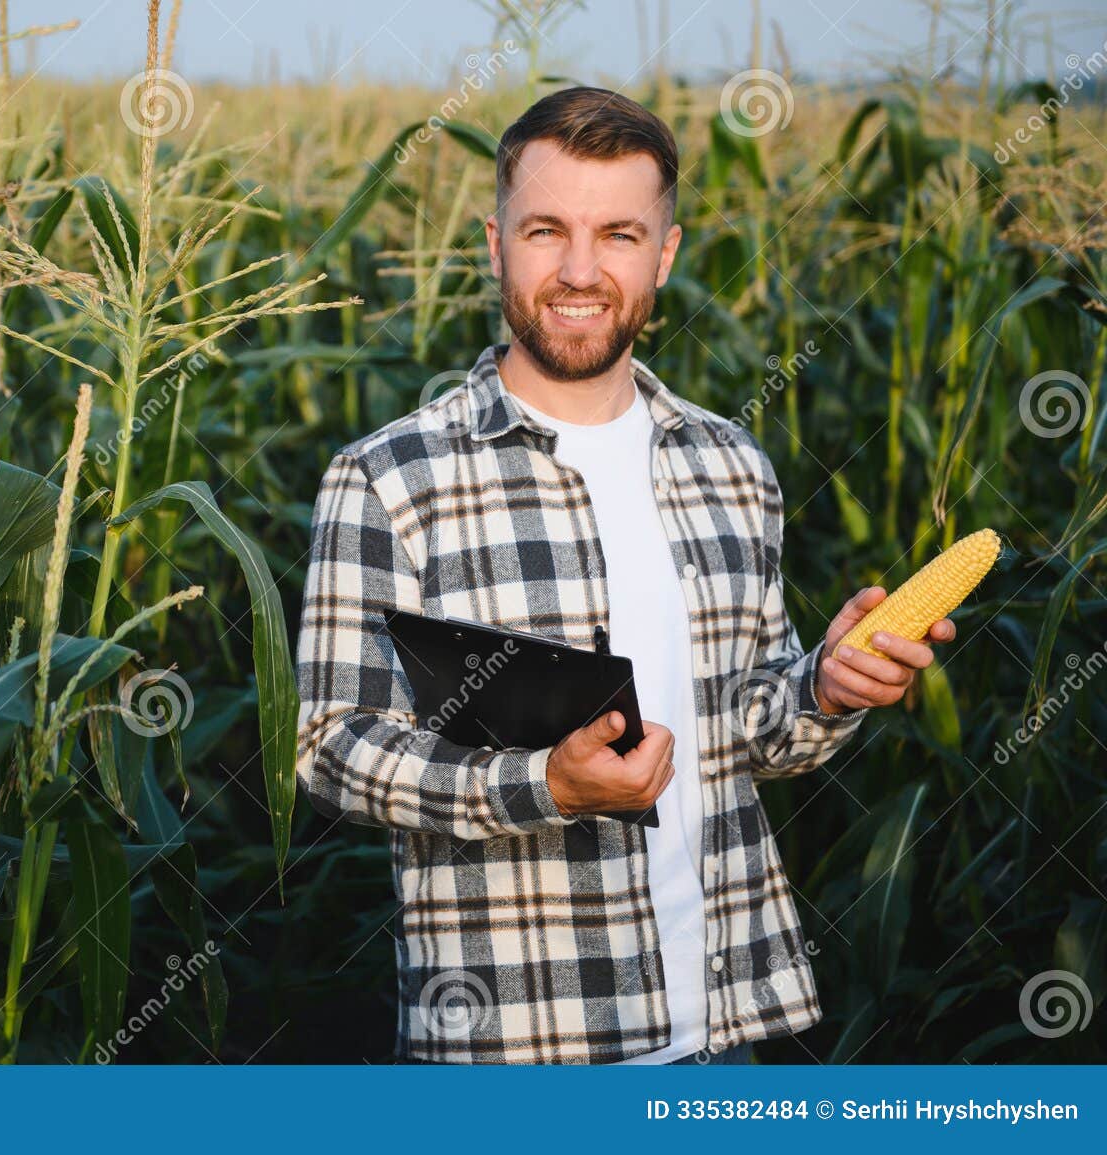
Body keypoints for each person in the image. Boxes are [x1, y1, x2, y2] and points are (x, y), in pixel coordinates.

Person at [293, 86, 956, 1065]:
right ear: (493, 242)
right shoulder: (388, 479)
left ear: (666, 253)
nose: (577, 270)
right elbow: (328, 751)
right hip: (521, 1043)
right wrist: (544, 787)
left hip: (724, 1023)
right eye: (544, 230)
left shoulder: (731, 466)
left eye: (617, 234)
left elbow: (748, 737)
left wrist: (822, 684)